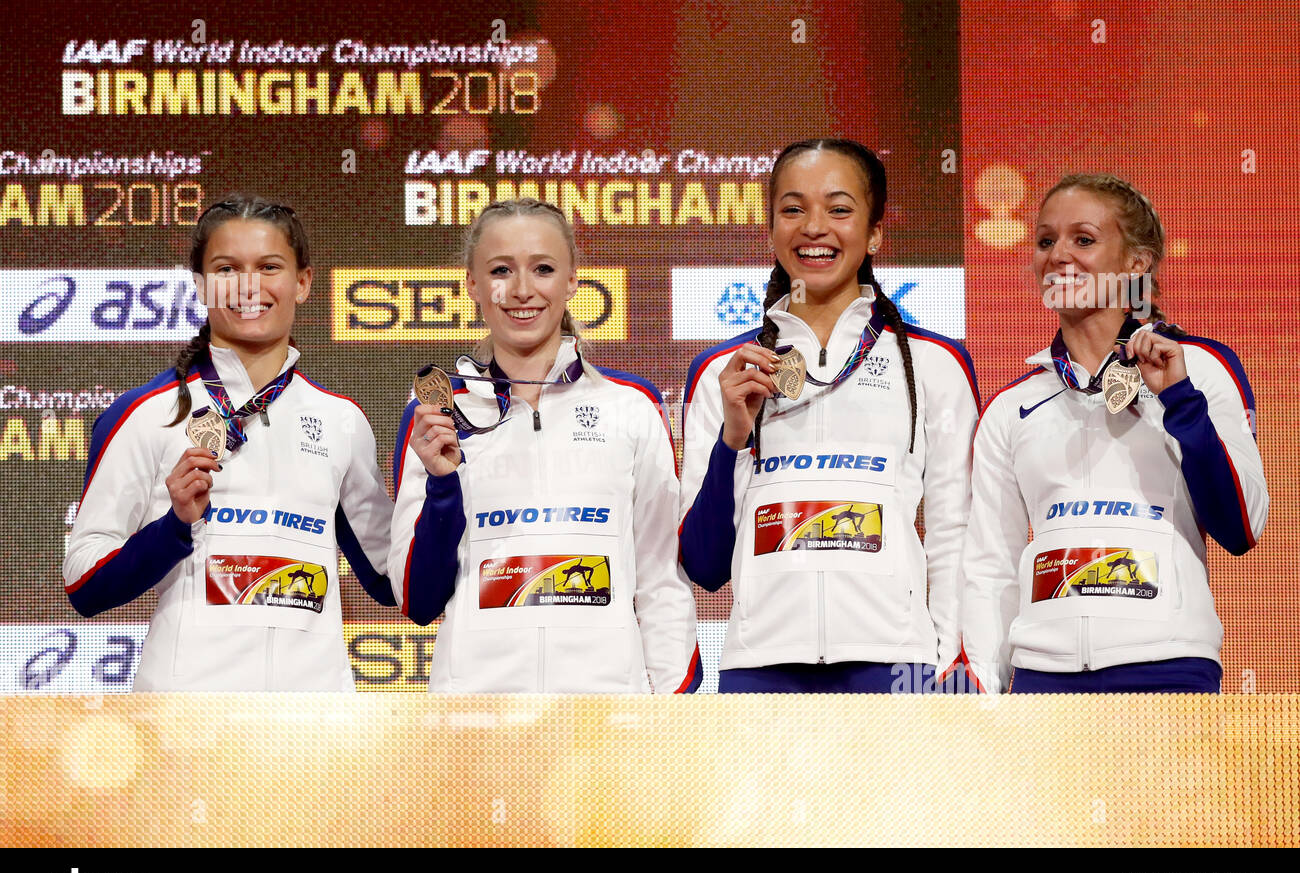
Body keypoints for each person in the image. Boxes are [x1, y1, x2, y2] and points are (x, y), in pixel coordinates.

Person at [678, 139, 980, 692]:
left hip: (894, 665)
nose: (814, 227)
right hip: (759, 668)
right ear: (770, 228)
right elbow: (704, 563)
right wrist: (733, 439)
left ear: (874, 234)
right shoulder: (723, 372)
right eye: (793, 209)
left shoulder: (934, 364)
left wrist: (946, 664)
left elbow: (955, 537)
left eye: (839, 209)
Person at [63, 194, 396, 690]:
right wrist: (173, 525)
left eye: (269, 266)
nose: (247, 285)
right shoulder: (143, 414)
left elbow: (394, 582)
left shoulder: (341, 421)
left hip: (314, 726)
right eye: (226, 268)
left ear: (302, 282)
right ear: (200, 284)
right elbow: (84, 586)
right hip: (184, 724)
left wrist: (445, 489)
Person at [960, 173, 1268, 693]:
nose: (1059, 255)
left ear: (1136, 264)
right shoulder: (1013, 406)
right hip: (1043, 677)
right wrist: (987, 694)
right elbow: (991, 568)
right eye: (1044, 240)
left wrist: (1180, 401)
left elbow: (1240, 527)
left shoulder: (1200, 367)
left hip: (1168, 666)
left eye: (1083, 239)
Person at [389, 198, 700, 693]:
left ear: (572, 281)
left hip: (609, 712)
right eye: (500, 270)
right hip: (477, 714)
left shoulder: (631, 406)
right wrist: (443, 489)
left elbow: (662, 580)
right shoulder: (436, 413)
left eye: (543, 268)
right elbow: (418, 599)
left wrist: (669, 705)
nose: (521, 290)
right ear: (472, 284)